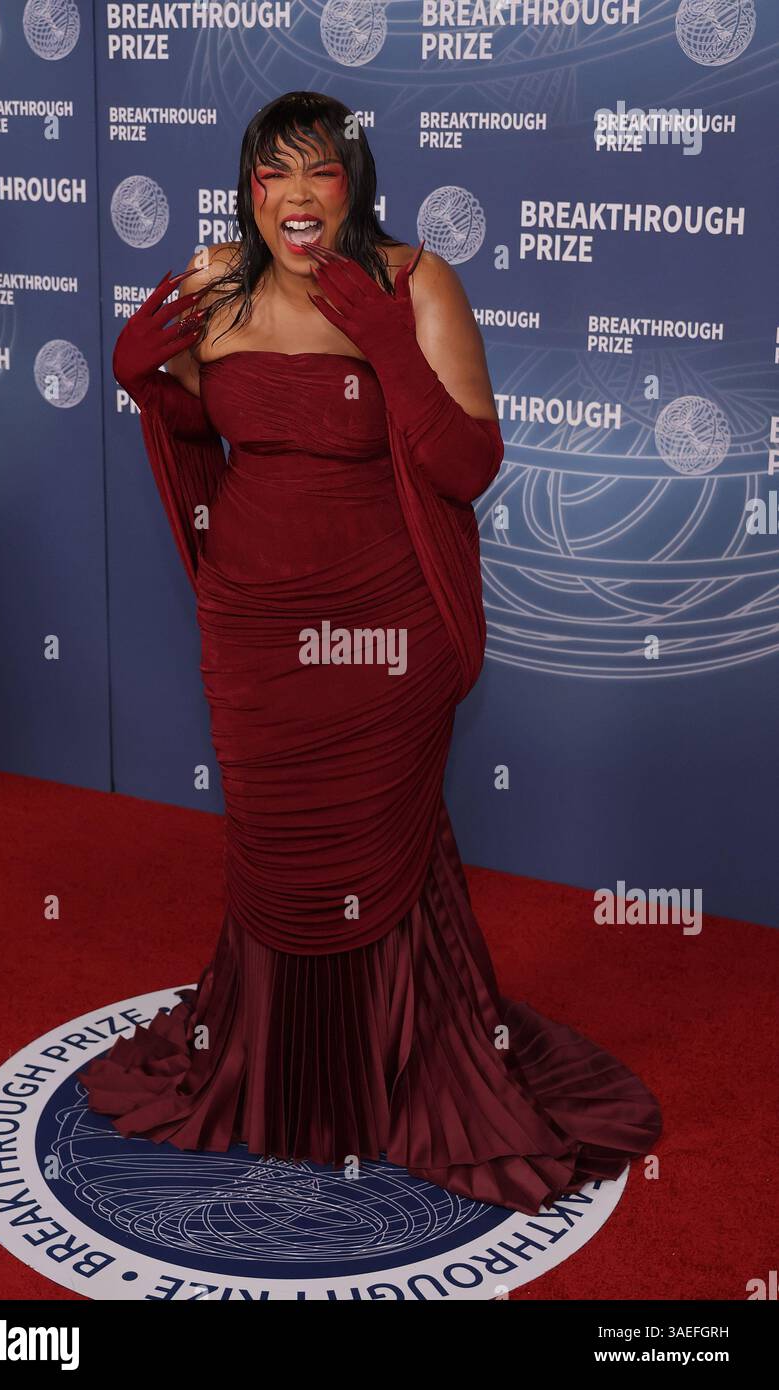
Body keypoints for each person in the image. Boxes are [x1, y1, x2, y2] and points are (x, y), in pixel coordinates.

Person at [80, 91, 662, 1215]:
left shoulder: (414, 281)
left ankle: (397, 1081)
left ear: (355, 182)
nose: (293, 199)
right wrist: (145, 375)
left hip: (383, 630)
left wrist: (386, 342)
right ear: (246, 190)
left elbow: (464, 464)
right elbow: (211, 425)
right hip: (251, 626)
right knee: (276, 848)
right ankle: (280, 1078)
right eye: (269, 177)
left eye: (317, 174)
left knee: (369, 842)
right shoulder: (218, 281)